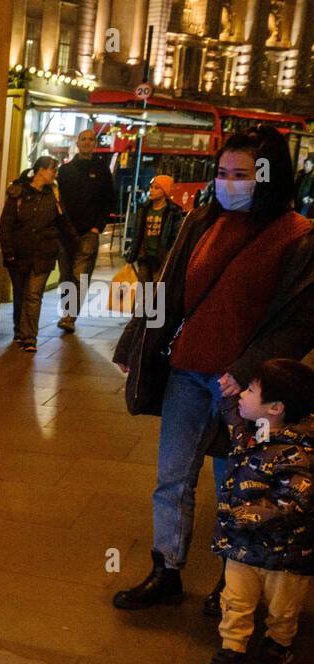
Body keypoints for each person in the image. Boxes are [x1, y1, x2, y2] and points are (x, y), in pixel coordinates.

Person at [112, 125, 314, 612]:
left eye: (241, 174)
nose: (229, 183)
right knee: (173, 477)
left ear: (268, 177)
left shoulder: (298, 237)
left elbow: (300, 321)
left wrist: (246, 370)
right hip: (186, 373)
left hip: (243, 389)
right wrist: (134, 343)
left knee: (237, 482)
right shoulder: (203, 221)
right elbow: (169, 290)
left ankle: (233, 581)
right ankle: (167, 569)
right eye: (222, 172)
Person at [200, 358, 314, 664]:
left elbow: (295, 500)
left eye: (250, 390)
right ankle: (232, 649)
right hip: (242, 545)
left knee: (283, 606)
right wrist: (225, 390)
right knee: (235, 598)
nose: (242, 395)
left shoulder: (299, 452)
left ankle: (278, 643)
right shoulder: (248, 430)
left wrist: (249, 514)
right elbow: (232, 413)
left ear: (275, 407)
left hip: (285, 554)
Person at [0, 156, 72, 353]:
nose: (55, 174)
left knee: (33, 295)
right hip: (19, 254)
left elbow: (62, 222)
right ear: (41, 170)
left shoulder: (54, 194)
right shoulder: (18, 193)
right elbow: (6, 226)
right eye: (53, 170)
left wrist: (74, 243)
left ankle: (30, 338)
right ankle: (19, 332)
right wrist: (8, 252)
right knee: (21, 294)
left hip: (44, 254)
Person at [56, 128, 117, 333]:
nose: (87, 143)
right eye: (83, 139)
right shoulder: (65, 171)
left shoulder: (101, 170)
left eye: (91, 139)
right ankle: (67, 310)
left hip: (88, 233)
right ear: (77, 142)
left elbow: (109, 201)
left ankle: (70, 316)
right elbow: (59, 201)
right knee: (65, 276)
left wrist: (97, 226)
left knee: (80, 275)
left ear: (95, 143)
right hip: (65, 233)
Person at [124, 174, 185, 283]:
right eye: (151, 187)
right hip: (144, 258)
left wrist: (169, 258)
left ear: (165, 192)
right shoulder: (144, 209)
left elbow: (175, 238)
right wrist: (131, 257)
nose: (152, 190)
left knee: (158, 293)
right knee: (145, 294)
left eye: (157, 188)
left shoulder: (173, 211)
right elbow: (137, 234)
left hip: (161, 260)